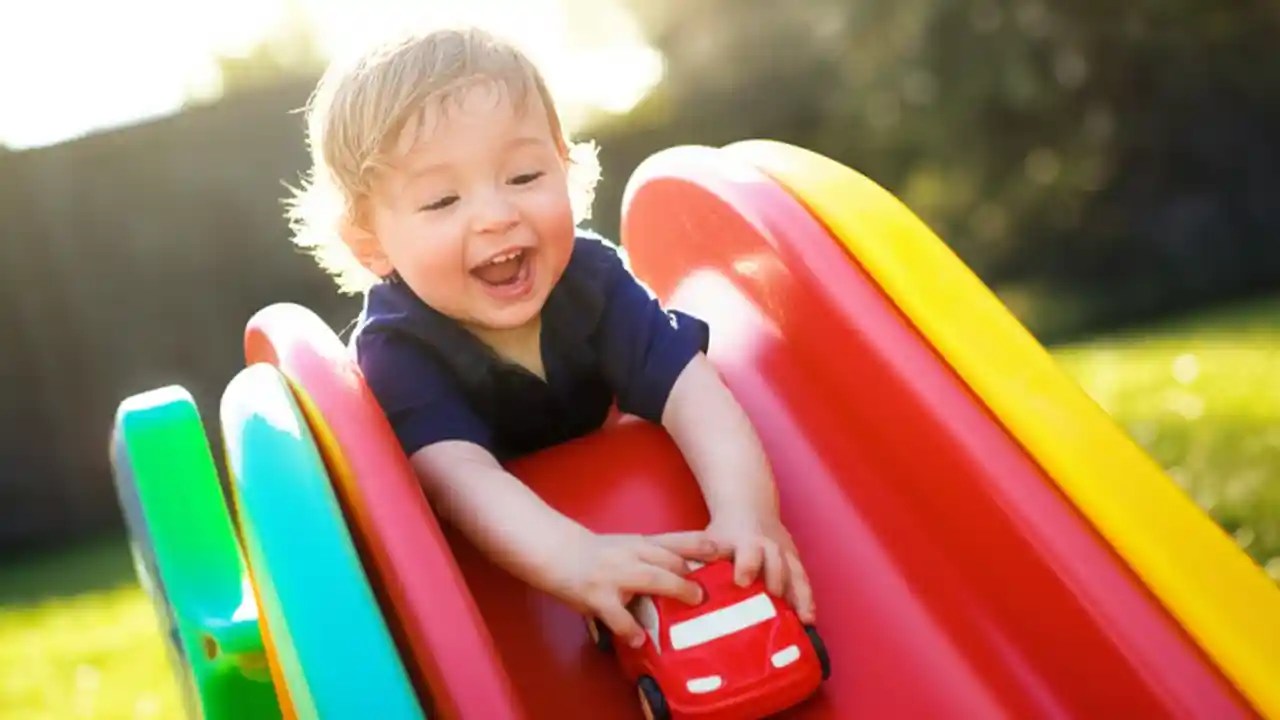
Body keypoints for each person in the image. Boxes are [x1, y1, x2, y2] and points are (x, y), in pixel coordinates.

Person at [285, 25, 815, 648]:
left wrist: (747, 512)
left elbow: (692, 389)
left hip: (628, 492)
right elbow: (461, 480)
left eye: (523, 176)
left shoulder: (590, 279)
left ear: (564, 166)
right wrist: (576, 558)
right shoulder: (399, 350)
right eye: (442, 200)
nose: (496, 214)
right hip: (505, 595)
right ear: (370, 243)